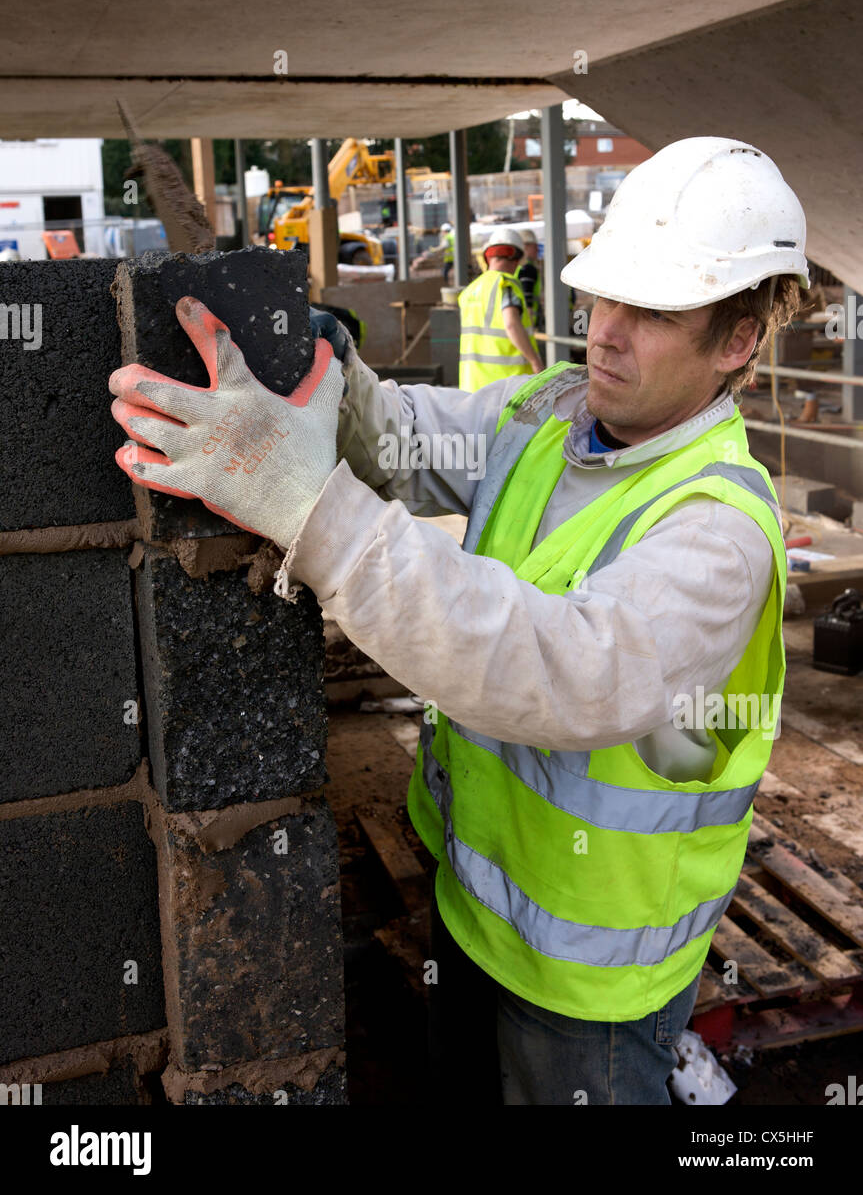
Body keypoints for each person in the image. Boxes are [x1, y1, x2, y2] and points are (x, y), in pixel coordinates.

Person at [107, 136, 807, 1105]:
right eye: (602, 295)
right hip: (474, 902)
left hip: (587, 979)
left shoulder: (715, 528)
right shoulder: (550, 411)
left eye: (648, 313)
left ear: (734, 342)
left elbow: (563, 674)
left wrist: (316, 514)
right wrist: (325, 366)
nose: (602, 330)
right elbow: (400, 438)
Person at [457, 226, 543, 390]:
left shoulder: (469, 291)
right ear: (514, 257)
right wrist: (535, 361)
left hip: (472, 385)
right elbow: (511, 324)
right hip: (504, 386)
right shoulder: (505, 284)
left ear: (488, 257)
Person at [515, 227, 543, 331]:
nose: (537, 249)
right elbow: (527, 301)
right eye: (534, 246)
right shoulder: (528, 269)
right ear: (525, 247)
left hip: (518, 322)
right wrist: (530, 328)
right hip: (525, 325)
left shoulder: (517, 268)